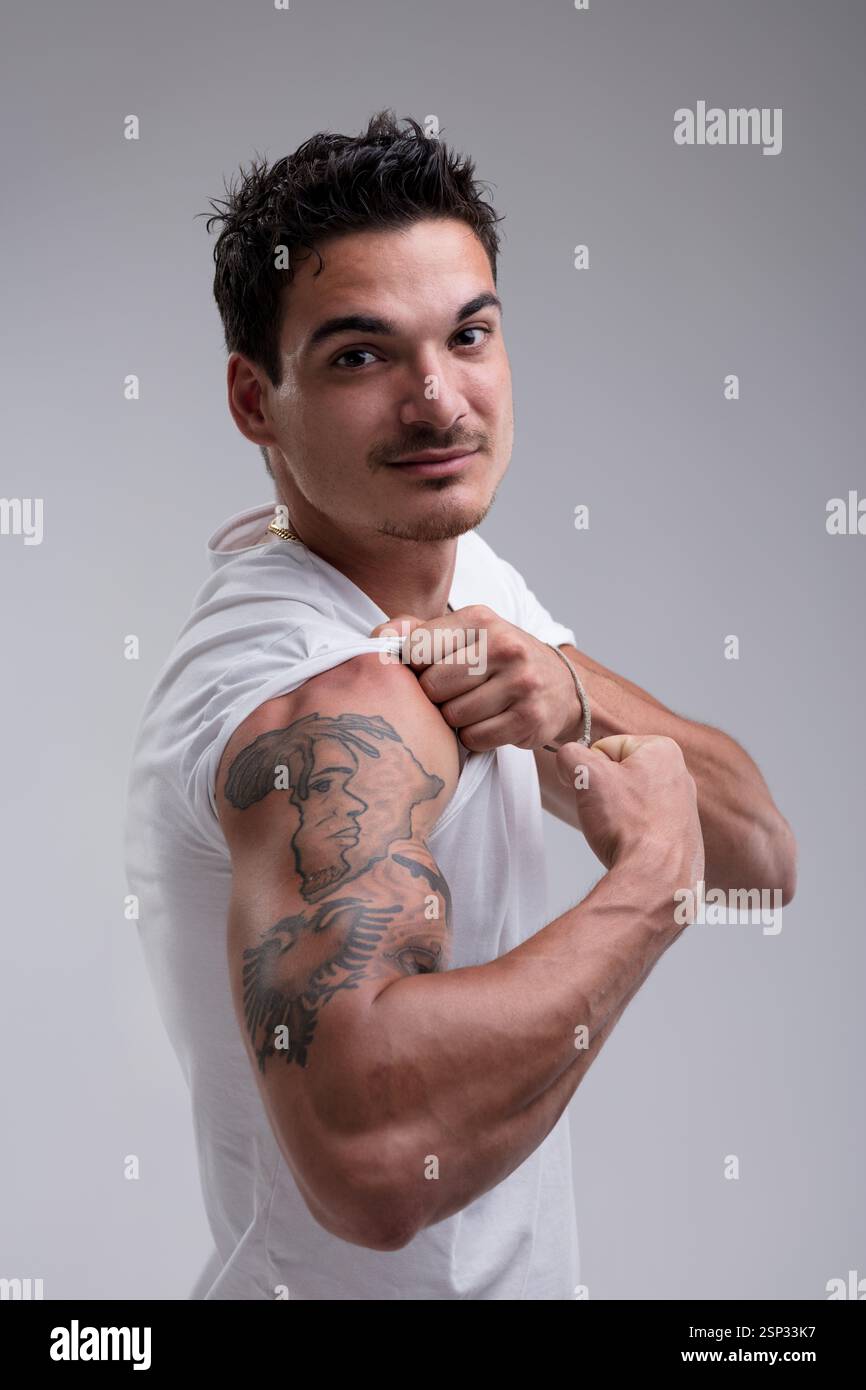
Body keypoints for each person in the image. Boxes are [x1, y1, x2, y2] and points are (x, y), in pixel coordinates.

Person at [124, 110, 797, 1300]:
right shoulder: (320, 691)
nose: (438, 403)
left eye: (467, 334)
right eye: (359, 355)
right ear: (252, 399)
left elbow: (755, 854)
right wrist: (645, 886)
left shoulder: (457, 576)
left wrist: (573, 693)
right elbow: (375, 1170)